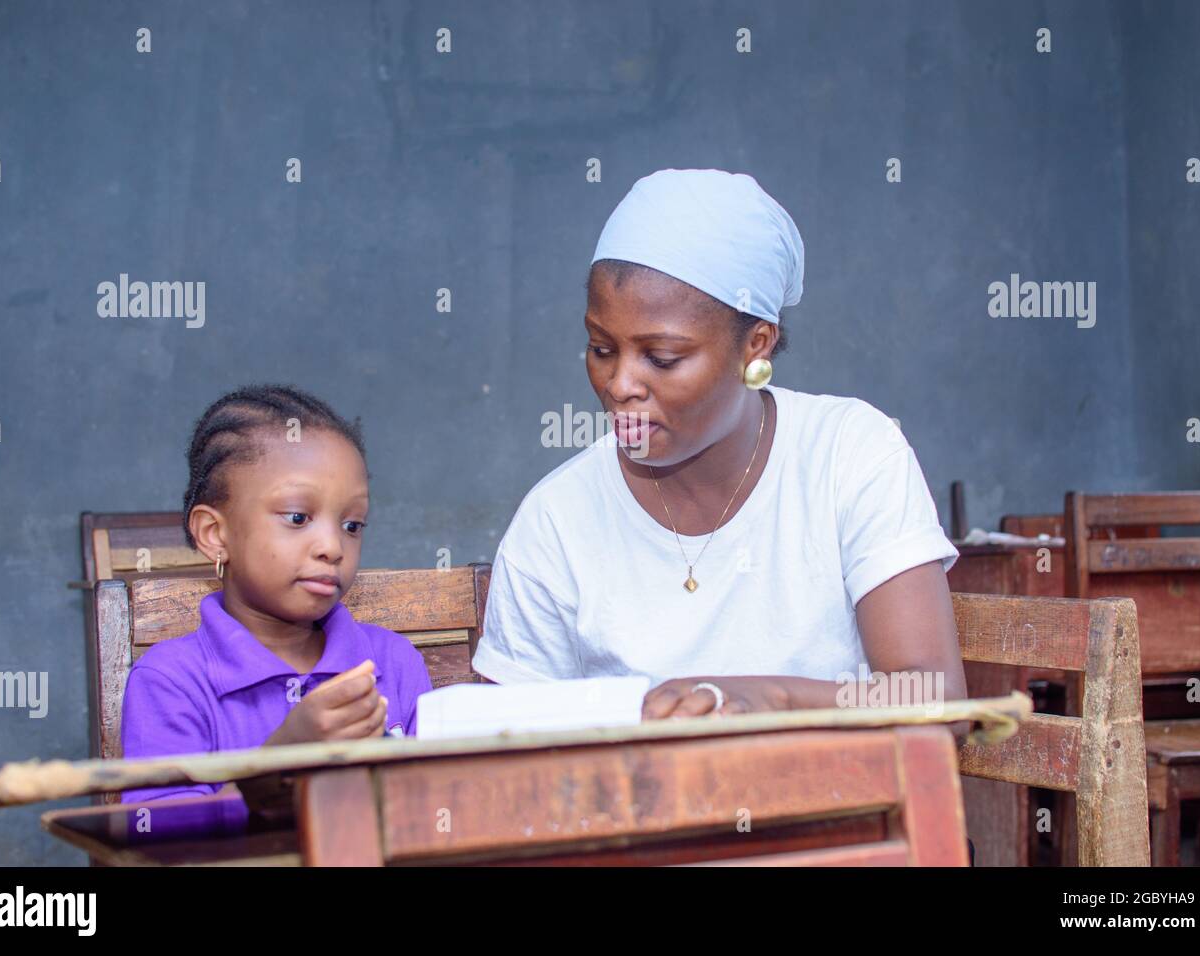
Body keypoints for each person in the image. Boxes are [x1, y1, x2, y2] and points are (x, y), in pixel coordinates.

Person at [472, 168, 967, 723]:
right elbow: (502, 742)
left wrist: (774, 700)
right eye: (601, 348)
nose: (619, 385)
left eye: (661, 357)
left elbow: (935, 701)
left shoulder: (849, 455)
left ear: (755, 346)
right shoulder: (557, 519)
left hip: (843, 807)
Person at [119, 384, 430, 802]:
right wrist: (277, 767)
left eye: (352, 525)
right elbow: (163, 846)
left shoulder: (392, 663)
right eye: (298, 517)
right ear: (215, 534)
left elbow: (430, 814)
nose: (333, 547)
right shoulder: (171, 681)